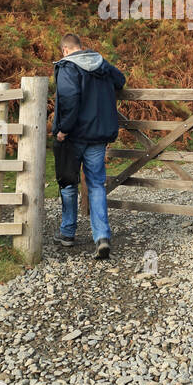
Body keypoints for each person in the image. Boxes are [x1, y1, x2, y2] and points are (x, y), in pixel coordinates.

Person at [51, 33, 125, 259]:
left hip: (73, 136)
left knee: (68, 181)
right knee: (96, 185)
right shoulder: (101, 63)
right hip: (98, 135)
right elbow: (120, 81)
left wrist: (63, 128)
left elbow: (70, 99)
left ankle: (67, 233)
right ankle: (102, 237)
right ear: (81, 48)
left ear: (65, 50)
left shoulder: (67, 67)